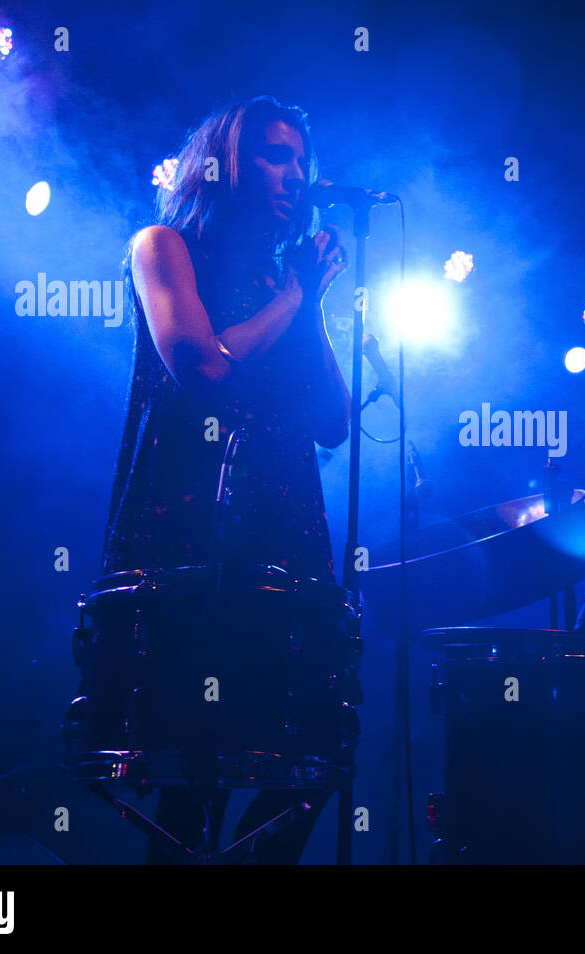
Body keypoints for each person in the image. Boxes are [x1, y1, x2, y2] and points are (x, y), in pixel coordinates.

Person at [99, 95, 351, 863]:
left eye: (303, 160)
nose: (296, 175)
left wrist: (306, 305)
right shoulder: (163, 247)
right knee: (190, 770)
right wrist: (294, 298)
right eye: (276, 155)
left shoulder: (287, 286)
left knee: (315, 752)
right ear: (224, 164)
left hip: (284, 538)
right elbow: (202, 367)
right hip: (187, 531)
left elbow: (335, 421)